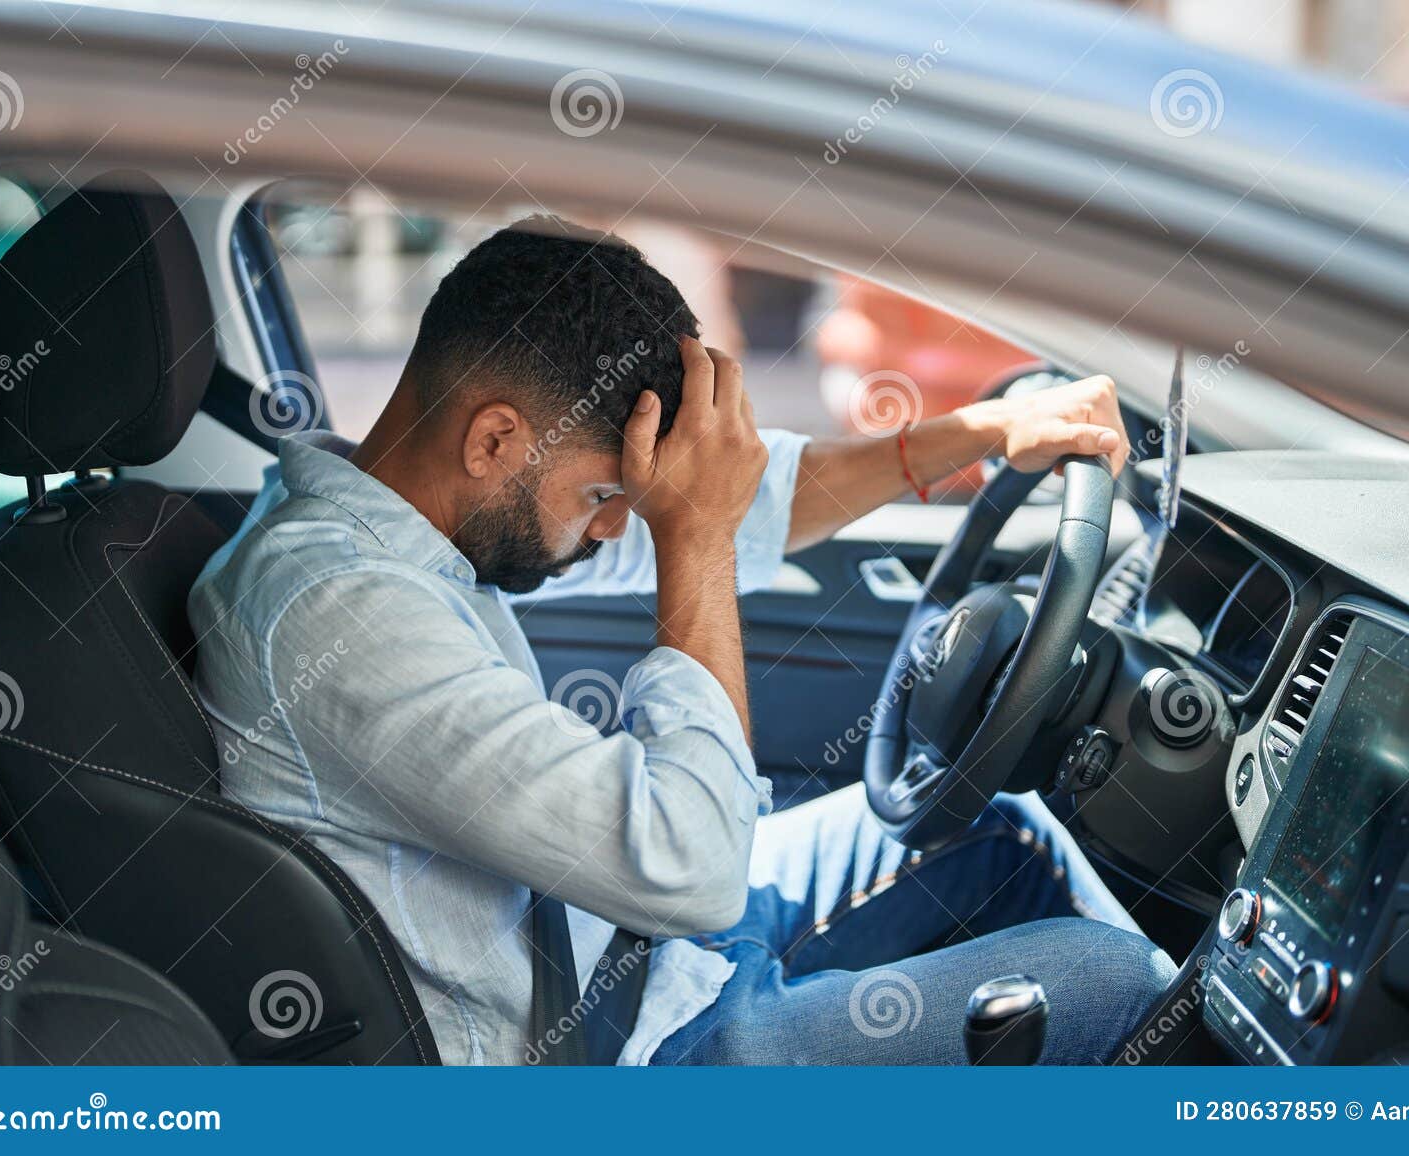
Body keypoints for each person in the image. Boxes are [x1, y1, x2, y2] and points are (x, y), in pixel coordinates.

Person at [188, 216, 1175, 1066]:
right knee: (1118, 982)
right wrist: (688, 534)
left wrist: (981, 430)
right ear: (493, 440)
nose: (619, 528)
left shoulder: (410, 529)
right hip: (616, 1050)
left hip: (633, 946)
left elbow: (750, 507)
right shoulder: (340, 608)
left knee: (1006, 828)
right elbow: (691, 871)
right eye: (605, 497)